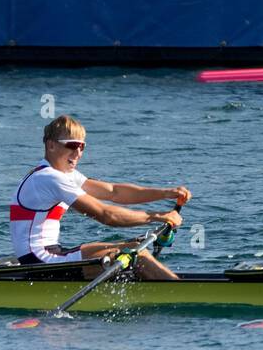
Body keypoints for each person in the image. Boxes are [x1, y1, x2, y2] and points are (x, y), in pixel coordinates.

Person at [10, 115, 188, 280]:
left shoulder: (65, 175)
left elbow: (113, 192)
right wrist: (157, 217)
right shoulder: (49, 178)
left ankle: (168, 288)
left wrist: (165, 193)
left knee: (132, 246)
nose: (78, 153)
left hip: (52, 254)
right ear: (51, 145)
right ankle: (181, 295)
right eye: (72, 145)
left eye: (82, 146)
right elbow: (106, 215)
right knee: (136, 254)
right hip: (39, 262)